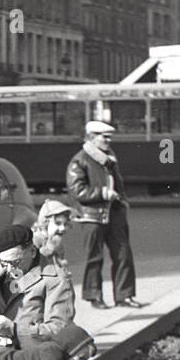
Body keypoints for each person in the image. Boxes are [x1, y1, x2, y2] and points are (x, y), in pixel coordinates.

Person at [66, 119, 140, 309]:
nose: (108, 141)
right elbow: (77, 191)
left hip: (113, 212)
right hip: (91, 216)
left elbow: (119, 183)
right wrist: (103, 193)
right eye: (104, 137)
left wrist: (122, 201)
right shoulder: (79, 160)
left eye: (109, 137)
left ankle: (124, 296)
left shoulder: (108, 157)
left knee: (123, 254)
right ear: (92, 138)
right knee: (95, 257)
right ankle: (94, 296)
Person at [0, 221, 76, 354]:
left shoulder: (55, 280)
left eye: (15, 262)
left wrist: (14, 330)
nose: (9, 269)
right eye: (4, 263)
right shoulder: (10, 272)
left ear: (32, 251)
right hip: (3, 351)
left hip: (37, 356)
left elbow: (60, 330)